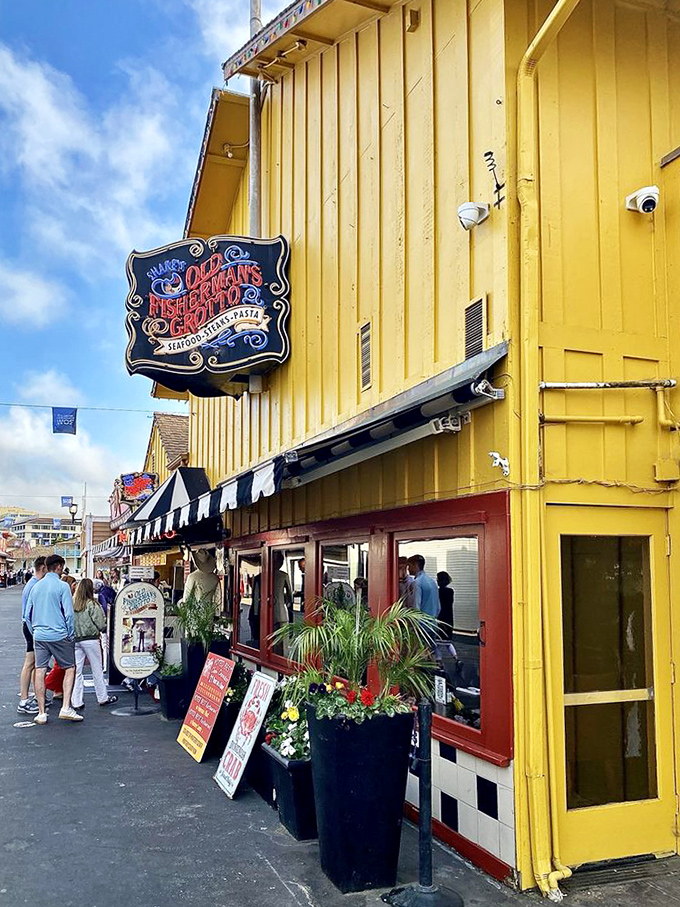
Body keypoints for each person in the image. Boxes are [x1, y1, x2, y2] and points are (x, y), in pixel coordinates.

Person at [25, 554, 82, 723]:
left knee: (40, 670)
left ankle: (41, 712)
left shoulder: (36, 586)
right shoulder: (62, 586)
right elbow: (69, 614)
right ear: (58, 567)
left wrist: (34, 631)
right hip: (59, 634)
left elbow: (27, 615)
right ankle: (65, 707)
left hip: (39, 635)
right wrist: (70, 634)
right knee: (70, 668)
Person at [72, 579, 117, 710]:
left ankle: (76, 701)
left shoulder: (72, 603)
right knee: (97, 669)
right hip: (91, 639)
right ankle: (102, 697)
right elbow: (101, 623)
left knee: (77, 671)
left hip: (76, 639)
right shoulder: (92, 604)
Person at [18, 556, 47, 714]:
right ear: (43, 568)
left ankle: (37, 695)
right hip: (31, 627)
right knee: (30, 663)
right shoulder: (35, 585)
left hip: (31, 627)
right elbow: (29, 612)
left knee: (37, 663)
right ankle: (23, 700)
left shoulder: (32, 584)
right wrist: (34, 632)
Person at [436, 571, 454, 639]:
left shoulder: (438, 591)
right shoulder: (450, 591)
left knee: (439, 639)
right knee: (447, 641)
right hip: (449, 616)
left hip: (440, 616)